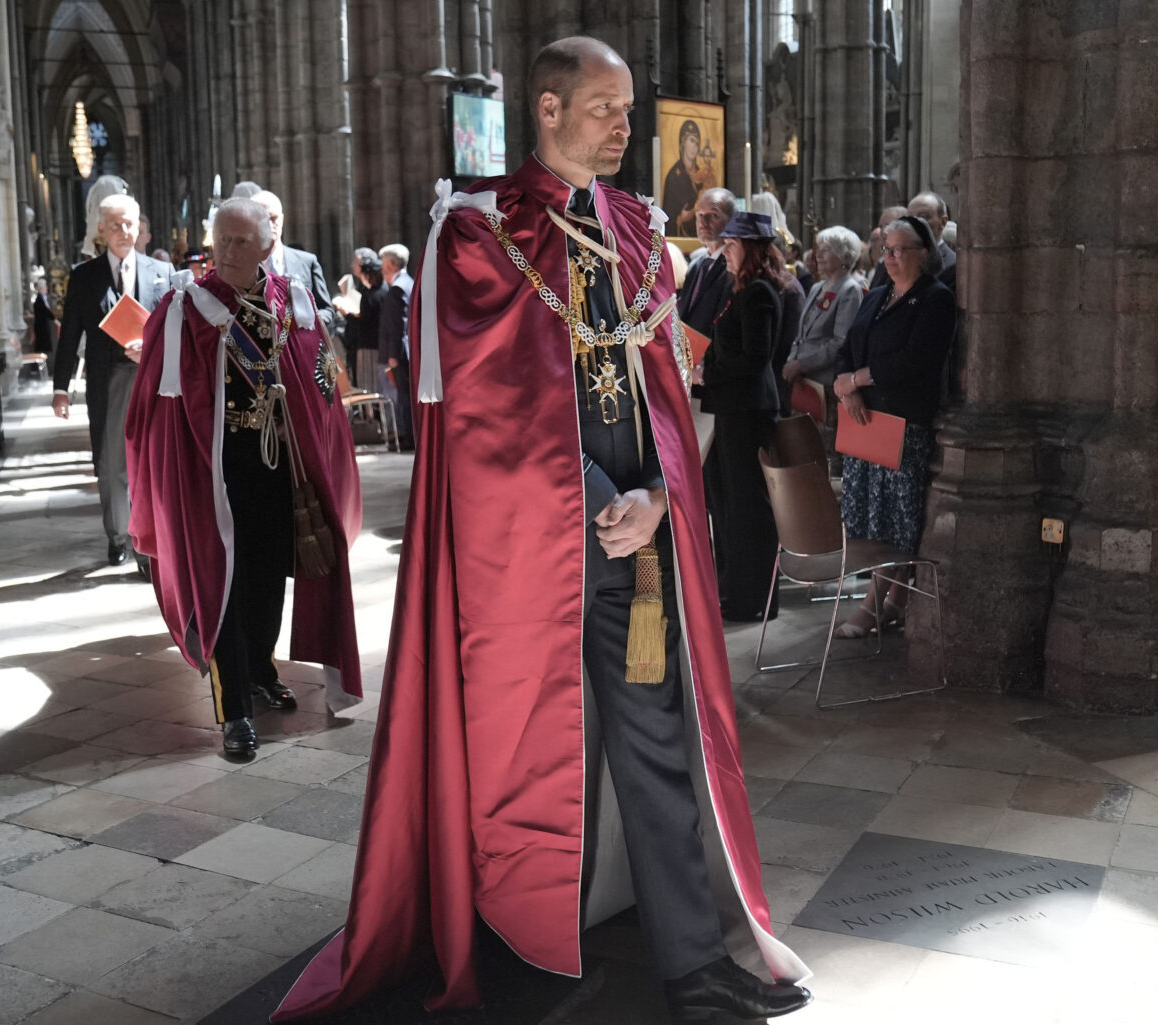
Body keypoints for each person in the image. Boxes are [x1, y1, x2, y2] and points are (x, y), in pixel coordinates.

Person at [275, 35, 810, 1025]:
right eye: (604, 106)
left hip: (637, 543)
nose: (624, 124)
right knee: (527, 744)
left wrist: (652, 498)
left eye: (628, 107)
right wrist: (601, 494)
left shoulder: (641, 228)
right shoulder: (479, 231)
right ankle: (515, 939)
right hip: (527, 557)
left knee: (655, 739)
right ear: (549, 110)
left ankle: (696, 961)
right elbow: (494, 404)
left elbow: (661, 386)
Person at [125, 198, 362, 756]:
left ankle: (258, 667)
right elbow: (154, 407)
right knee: (223, 582)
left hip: (280, 464)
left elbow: (321, 383)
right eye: (221, 241)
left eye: (240, 242)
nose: (227, 253)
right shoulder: (184, 308)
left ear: (265, 246)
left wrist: (322, 443)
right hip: (213, 471)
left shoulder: (292, 301)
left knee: (268, 575)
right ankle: (234, 711)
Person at [832, 215, 954, 637]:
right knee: (866, 515)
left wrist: (859, 379)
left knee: (894, 519)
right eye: (887, 249)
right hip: (863, 419)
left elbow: (916, 358)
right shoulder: (876, 295)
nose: (892, 257)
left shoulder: (934, 299)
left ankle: (871, 606)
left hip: (902, 423)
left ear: (924, 253)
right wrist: (844, 387)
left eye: (902, 249)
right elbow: (848, 346)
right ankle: (895, 599)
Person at [51, 194, 175, 567]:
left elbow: (176, 328)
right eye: (116, 225)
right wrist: (61, 389)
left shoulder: (162, 272)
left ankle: (146, 546)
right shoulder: (85, 277)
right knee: (112, 465)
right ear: (101, 229)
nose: (124, 232)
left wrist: (152, 345)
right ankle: (119, 537)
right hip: (109, 382)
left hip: (153, 379)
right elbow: (70, 335)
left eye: (130, 224)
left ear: (140, 228)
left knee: (152, 464)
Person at [695, 212, 792, 621]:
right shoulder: (740, 289)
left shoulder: (759, 293)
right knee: (727, 505)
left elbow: (756, 358)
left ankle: (756, 599)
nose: (726, 251)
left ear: (749, 248)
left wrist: (708, 372)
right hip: (730, 407)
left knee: (748, 505)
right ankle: (734, 591)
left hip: (748, 410)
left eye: (731, 245)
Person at [782, 225, 865, 387]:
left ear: (845, 257)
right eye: (819, 249)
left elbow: (840, 342)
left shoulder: (850, 289)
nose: (818, 255)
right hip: (802, 377)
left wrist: (801, 364)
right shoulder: (816, 287)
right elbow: (801, 335)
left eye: (826, 250)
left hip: (825, 380)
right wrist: (792, 360)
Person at [239, 185, 334, 324]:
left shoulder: (307, 262)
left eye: (274, 218)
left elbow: (326, 310)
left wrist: (307, 324)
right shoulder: (240, 265)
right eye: (263, 220)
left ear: (282, 219)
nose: (270, 226)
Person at [676, 187, 735, 338]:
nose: (703, 222)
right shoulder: (696, 265)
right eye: (700, 215)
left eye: (713, 215)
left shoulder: (733, 265)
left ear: (731, 220)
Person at [376, 243, 414, 448]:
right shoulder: (408, 283)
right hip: (405, 350)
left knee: (403, 396)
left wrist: (393, 355)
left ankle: (408, 437)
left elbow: (398, 325)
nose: (381, 266)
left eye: (383, 261)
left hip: (400, 352)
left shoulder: (398, 288)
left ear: (391, 263)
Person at [334, 247, 385, 391]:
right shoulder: (380, 289)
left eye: (356, 263)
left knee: (368, 383)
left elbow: (364, 322)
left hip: (368, 345)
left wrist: (347, 314)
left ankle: (371, 413)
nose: (353, 267)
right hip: (374, 343)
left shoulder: (371, 294)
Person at [906, 191, 956, 290]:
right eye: (910, 217)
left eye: (923, 217)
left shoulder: (953, 265)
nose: (914, 222)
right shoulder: (897, 259)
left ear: (943, 222)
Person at [663, 118, 701, 237]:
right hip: (679, 236)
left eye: (697, 143)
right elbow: (668, 215)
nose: (694, 146)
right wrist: (681, 218)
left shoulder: (701, 174)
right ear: (683, 142)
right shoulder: (674, 176)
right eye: (691, 140)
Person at [867, 204, 907, 290]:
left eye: (889, 225)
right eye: (881, 227)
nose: (884, 232)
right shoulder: (882, 264)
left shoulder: (908, 261)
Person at [30, 279, 57, 355]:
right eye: (44, 288)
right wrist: (54, 319)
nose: (46, 289)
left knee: (44, 347)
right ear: (41, 289)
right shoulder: (39, 300)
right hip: (41, 327)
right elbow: (46, 311)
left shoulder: (43, 299)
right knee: (42, 347)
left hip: (44, 326)